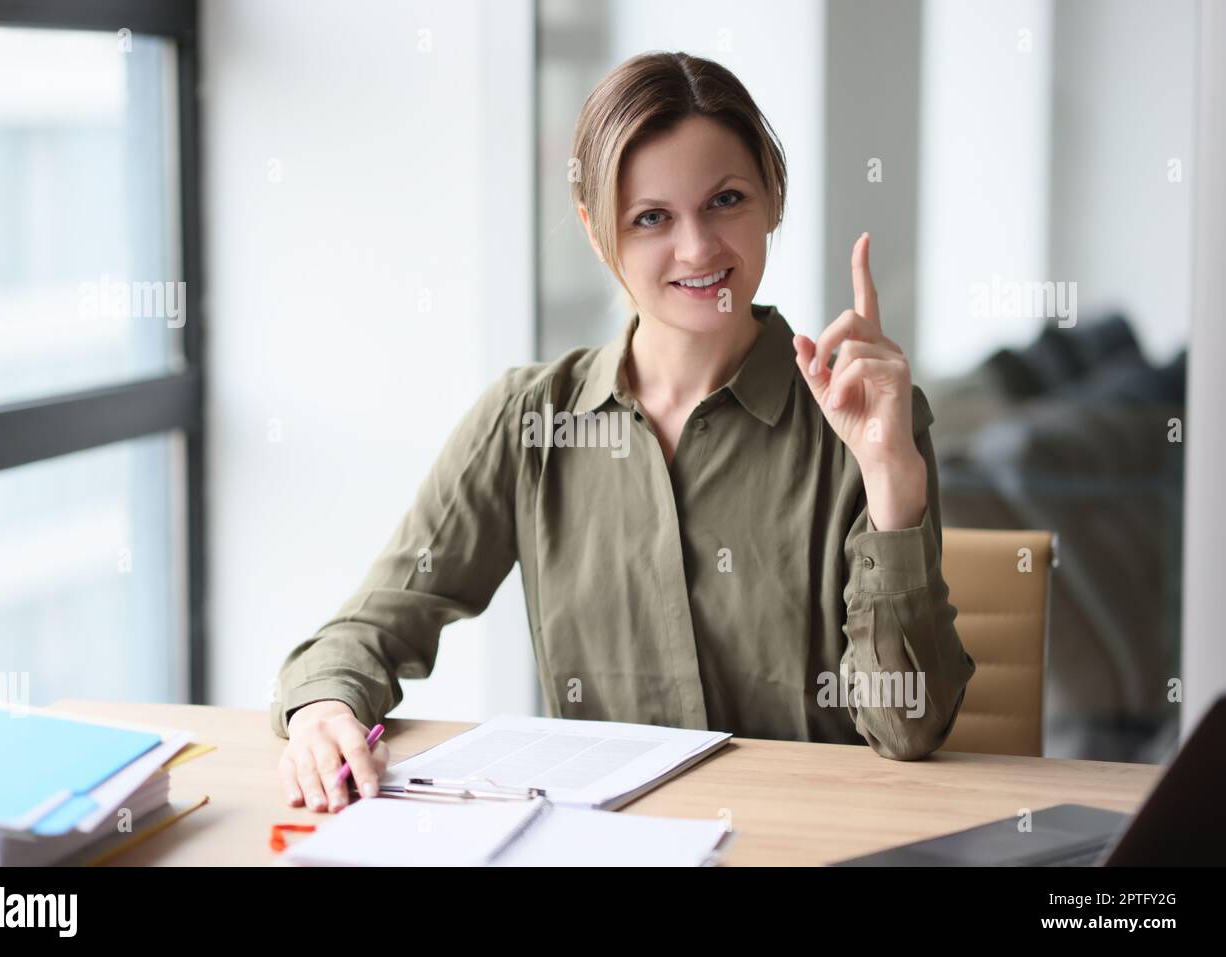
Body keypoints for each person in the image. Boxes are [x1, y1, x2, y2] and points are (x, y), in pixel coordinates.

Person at [272, 51, 976, 813]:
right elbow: (370, 626)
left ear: (773, 195)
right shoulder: (528, 421)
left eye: (726, 199)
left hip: (809, 843)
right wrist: (322, 709)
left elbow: (908, 730)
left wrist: (892, 482)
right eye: (651, 218)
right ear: (597, 230)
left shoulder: (864, 417)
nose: (699, 248)